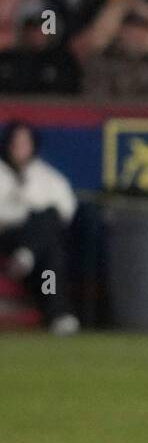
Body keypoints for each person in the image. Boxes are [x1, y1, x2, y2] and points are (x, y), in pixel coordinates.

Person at [0, 122, 79, 334]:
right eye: (16, 143)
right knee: (45, 234)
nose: (20, 148)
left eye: (24, 143)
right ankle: (27, 254)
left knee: (51, 252)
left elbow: (65, 209)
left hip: (38, 242)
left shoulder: (45, 176)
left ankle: (55, 314)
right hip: (7, 235)